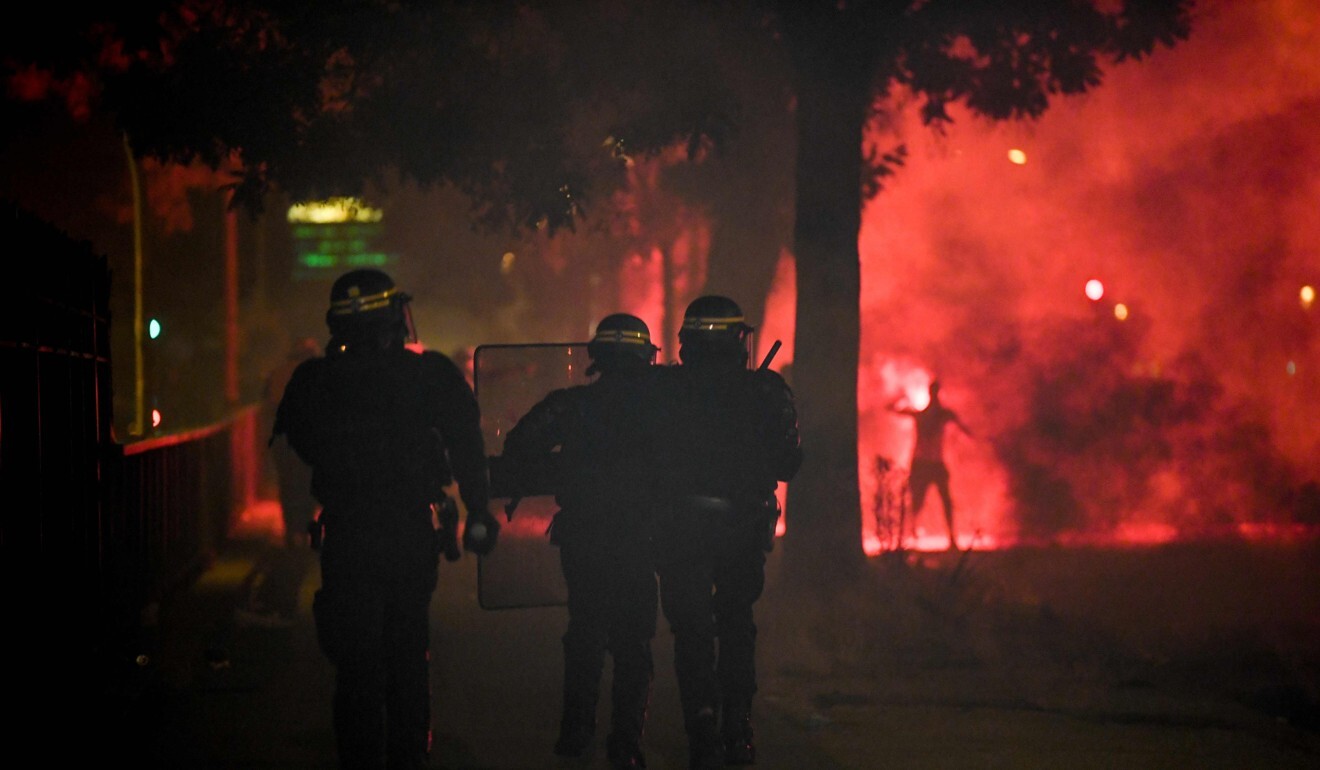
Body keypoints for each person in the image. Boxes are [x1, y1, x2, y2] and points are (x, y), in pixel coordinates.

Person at [272, 268, 500, 769]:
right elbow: (466, 444)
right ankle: (408, 757)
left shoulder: (312, 382)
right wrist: (479, 507)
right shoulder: (430, 374)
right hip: (409, 535)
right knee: (406, 654)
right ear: (396, 317)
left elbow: (294, 454)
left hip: (348, 534)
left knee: (355, 666)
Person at [499, 313, 661, 770]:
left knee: (586, 630)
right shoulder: (664, 411)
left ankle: (574, 736)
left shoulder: (571, 406)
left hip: (584, 535)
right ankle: (626, 744)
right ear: (644, 356)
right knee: (633, 642)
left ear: (598, 358)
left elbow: (519, 445)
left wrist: (564, 471)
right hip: (638, 538)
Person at [653, 295, 802, 769]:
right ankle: (738, 730)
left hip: (679, 527)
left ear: (687, 342)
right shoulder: (766, 390)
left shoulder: (661, 389)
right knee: (736, 623)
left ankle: (701, 730)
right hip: (742, 526)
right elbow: (788, 464)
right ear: (739, 339)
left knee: (691, 630)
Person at [888, 379, 972, 551]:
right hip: (926, 463)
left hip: (930, 463)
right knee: (921, 501)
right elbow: (892, 409)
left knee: (939, 501)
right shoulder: (931, 414)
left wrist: (898, 399)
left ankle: (947, 539)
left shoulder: (930, 414)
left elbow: (893, 409)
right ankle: (906, 539)